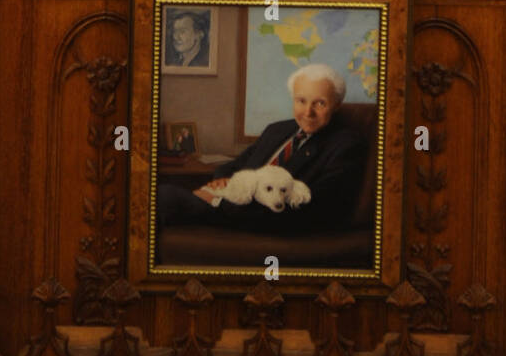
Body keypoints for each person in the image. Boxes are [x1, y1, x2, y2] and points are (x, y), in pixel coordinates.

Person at [156, 65, 367, 235]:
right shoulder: (277, 130)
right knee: (159, 197)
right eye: (301, 101)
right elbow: (235, 166)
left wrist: (218, 201)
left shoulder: (346, 145)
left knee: (165, 198)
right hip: (230, 201)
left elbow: (317, 209)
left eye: (319, 103)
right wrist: (221, 181)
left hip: (261, 220)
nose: (308, 112)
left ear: (336, 105)